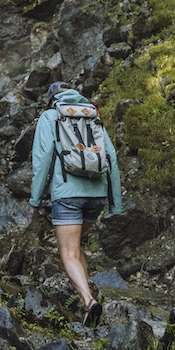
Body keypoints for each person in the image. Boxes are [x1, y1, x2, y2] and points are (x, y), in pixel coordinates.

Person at [28, 80, 123, 326]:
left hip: (68, 192)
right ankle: (85, 303)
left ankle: (89, 300)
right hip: (97, 195)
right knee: (76, 244)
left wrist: (35, 200)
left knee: (68, 252)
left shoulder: (51, 117)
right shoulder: (92, 115)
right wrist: (115, 204)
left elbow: (42, 159)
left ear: (51, 100)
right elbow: (111, 157)